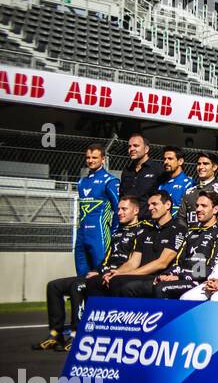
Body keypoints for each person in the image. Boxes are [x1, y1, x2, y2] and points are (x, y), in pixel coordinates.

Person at [39, 195, 143, 351]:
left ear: (136, 211)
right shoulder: (117, 233)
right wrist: (97, 271)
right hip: (102, 273)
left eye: (124, 209)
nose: (119, 212)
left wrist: (108, 273)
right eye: (119, 209)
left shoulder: (142, 231)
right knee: (53, 286)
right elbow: (106, 259)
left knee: (78, 286)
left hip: (117, 277)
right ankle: (55, 334)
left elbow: (133, 262)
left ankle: (77, 334)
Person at [104, 191, 185, 297]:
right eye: (149, 205)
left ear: (168, 205)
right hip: (142, 275)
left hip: (160, 277)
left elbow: (162, 263)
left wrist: (125, 274)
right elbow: (133, 262)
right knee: (109, 281)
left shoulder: (178, 229)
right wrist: (117, 272)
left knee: (125, 284)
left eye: (154, 204)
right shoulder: (146, 230)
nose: (150, 208)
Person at [153, 193, 218, 298]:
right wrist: (167, 274)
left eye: (204, 206)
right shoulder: (190, 233)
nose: (198, 209)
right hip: (183, 277)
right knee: (155, 282)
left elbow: (211, 269)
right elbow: (178, 262)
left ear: (215, 209)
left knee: (162, 289)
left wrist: (180, 277)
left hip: (200, 281)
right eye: (197, 206)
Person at [74, 143, 119, 278]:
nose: (90, 160)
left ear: (103, 159)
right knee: (81, 274)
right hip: (82, 233)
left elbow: (118, 210)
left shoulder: (110, 181)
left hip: (99, 234)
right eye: (88, 157)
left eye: (94, 157)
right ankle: (83, 300)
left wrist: (114, 232)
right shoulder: (81, 182)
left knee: (101, 273)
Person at [179, 152, 218, 229]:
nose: (201, 167)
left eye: (205, 164)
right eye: (199, 164)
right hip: (189, 236)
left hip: (211, 237)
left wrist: (206, 235)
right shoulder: (188, 191)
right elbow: (181, 217)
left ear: (214, 167)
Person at [120, 133, 163, 198]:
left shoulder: (158, 169)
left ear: (146, 149)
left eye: (136, 146)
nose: (131, 149)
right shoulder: (127, 171)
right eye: (129, 146)